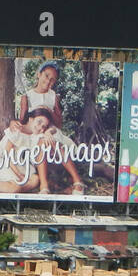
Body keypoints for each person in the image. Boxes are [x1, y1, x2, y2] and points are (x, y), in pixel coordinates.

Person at [8, 60, 86, 194]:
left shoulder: (53, 96)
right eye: (46, 76)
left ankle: (77, 181)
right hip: (35, 132)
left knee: (52, 141)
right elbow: (23, 120)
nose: (48, 81)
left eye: (52, 80)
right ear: (39, 74)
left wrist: (50, 115)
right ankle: (44, 186)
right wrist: (12, 123)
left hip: (51, 130)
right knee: (42, 143)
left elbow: (58, 123)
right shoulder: (27, 96)